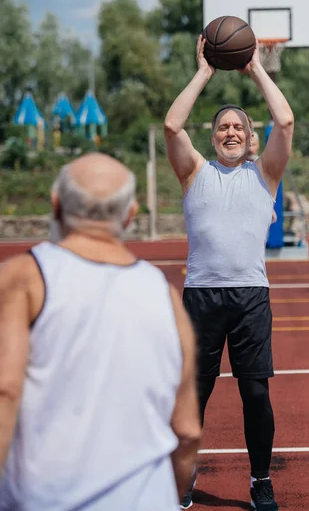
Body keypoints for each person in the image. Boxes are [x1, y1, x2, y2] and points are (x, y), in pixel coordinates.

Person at [0, 152, 201, 510]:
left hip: (47, 499)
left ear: (56, 205)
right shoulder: (165, 294)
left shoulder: (24, 277)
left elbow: (5, 389)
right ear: (130, 215)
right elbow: (187, 430)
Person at [164, 36, 294, 511]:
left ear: (248, 134)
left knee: (255, 395)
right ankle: (183, 478)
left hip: (250, 299)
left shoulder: (266, 175)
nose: (232, 131)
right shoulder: (194, 172)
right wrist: (204, 72)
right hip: (200, 297)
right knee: (193, 397)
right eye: (224, 126)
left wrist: (255, 68)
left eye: (239, 126)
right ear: (213, 135)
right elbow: (172, 123)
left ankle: (261, 480)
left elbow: (285, 120)